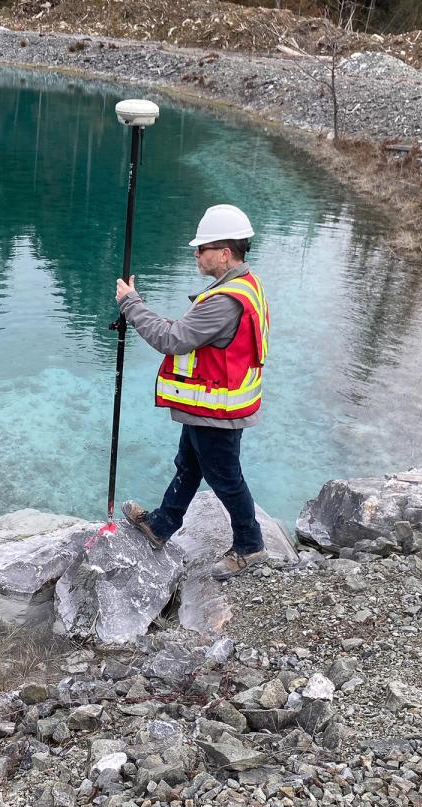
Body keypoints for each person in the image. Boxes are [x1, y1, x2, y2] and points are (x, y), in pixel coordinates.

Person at [116, 203, 270, 580]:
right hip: (212, 403)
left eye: (202, 248)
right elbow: (193, 334)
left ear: (225, 253)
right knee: (189, 464)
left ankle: (250, 545)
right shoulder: (245, 285)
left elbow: (172, 339)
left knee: (225, 478)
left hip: (217, 408)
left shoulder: (225, 301)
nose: (196, 254)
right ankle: (161, 525)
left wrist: (131, 304)